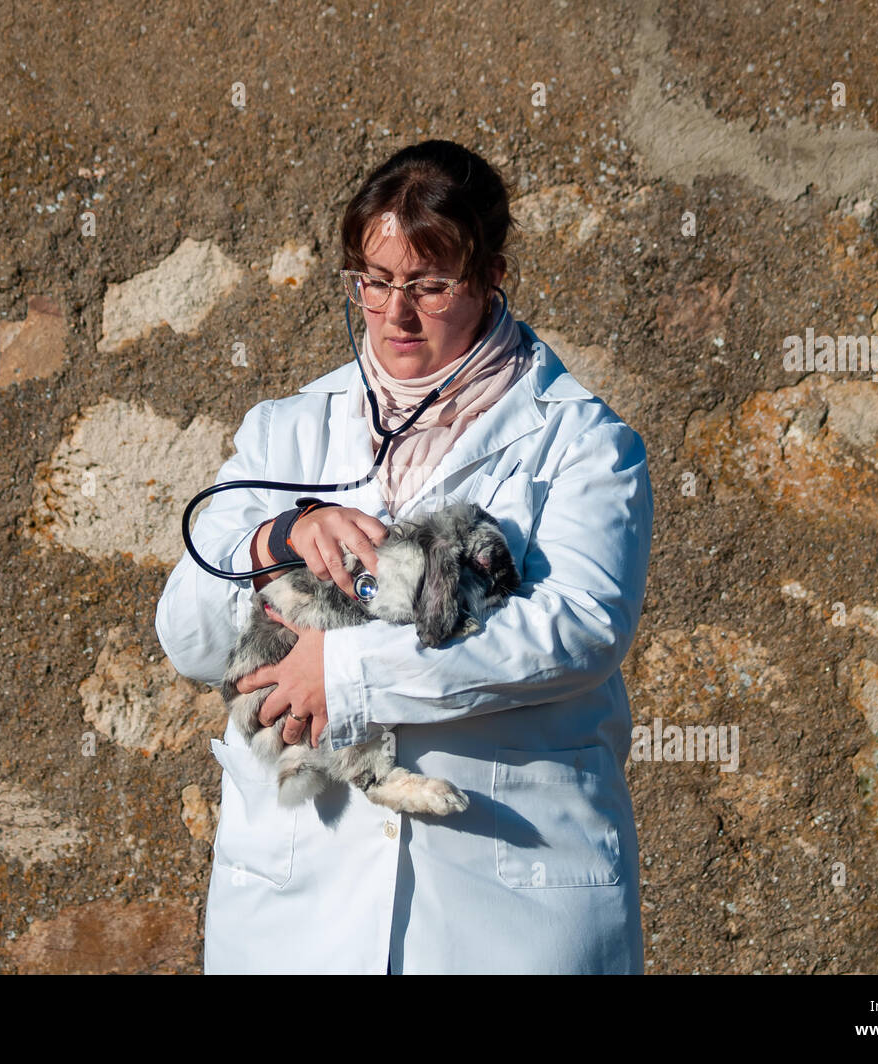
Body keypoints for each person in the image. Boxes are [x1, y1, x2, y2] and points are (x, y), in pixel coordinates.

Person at [155, 139, 653, 974]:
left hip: (506, 899)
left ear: (494, 275)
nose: (396, 315)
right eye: (374, 282)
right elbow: (186, 636)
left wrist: (344, 674)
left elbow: (579, 629)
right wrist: (274, 540)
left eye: (430, 285)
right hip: (300, 900)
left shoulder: (585, 442)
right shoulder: (288, 428)